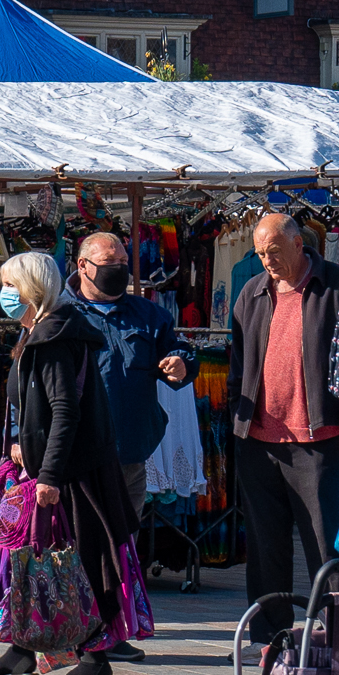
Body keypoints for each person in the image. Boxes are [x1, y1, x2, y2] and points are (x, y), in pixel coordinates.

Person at [0, 250, 138, 675]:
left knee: (75, 566)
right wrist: (19, 445)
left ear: (31, 289)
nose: (4, 295)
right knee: (29, 562)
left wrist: (47, 474)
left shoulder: (54, 336)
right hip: (49, 469)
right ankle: (23, 650)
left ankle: (94, 663)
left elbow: (65, 411)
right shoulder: (40, 332)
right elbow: (34, 405)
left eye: (11, 286)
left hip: (69, 476)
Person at [68, 232, 193, 627]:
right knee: (79, 544)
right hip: (76, 457)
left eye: (124, 265)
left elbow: (178, 350)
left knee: (122, 545)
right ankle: (79, 626)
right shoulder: (58, 315)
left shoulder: (148, 314)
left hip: (128, 453)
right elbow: (28, 380)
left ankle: (115, 627)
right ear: (83, 266)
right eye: (110, 266)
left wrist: (181, 363)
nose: (119, 272)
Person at [222, 210, 339, 606]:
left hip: (320, 438)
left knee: (327, 546)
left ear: (297, 243)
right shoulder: (253, 292)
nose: (267, 261)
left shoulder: (336, 286)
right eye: (260, 254)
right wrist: (236, 419)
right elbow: (237, 362)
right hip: (259, 439)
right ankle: (270, 637)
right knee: (265, 544)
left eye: (273, 251)